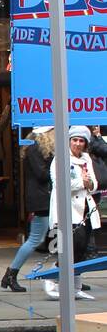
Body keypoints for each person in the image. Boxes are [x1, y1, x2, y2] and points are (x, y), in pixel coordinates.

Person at [47, 125, 100, 301]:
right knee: (66, 249)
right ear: (69, 141)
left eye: (81, 140)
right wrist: (81, 183)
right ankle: (52, 279)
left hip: (85, 211)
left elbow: (94, 184)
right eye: (74, 140)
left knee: (81, 250)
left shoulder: (86, 159)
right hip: (67, 211)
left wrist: (90, 184)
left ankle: (75, 287)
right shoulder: (60, 159)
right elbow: (60, 184)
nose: (77, 143)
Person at [1, 126, 54, 294]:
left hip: (43, 198)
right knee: (36, 239)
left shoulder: (34, 147)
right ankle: (11, 274)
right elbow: (42, 174)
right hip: (42, 200)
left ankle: (70, 275)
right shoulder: (36, 149)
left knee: (58, 237)